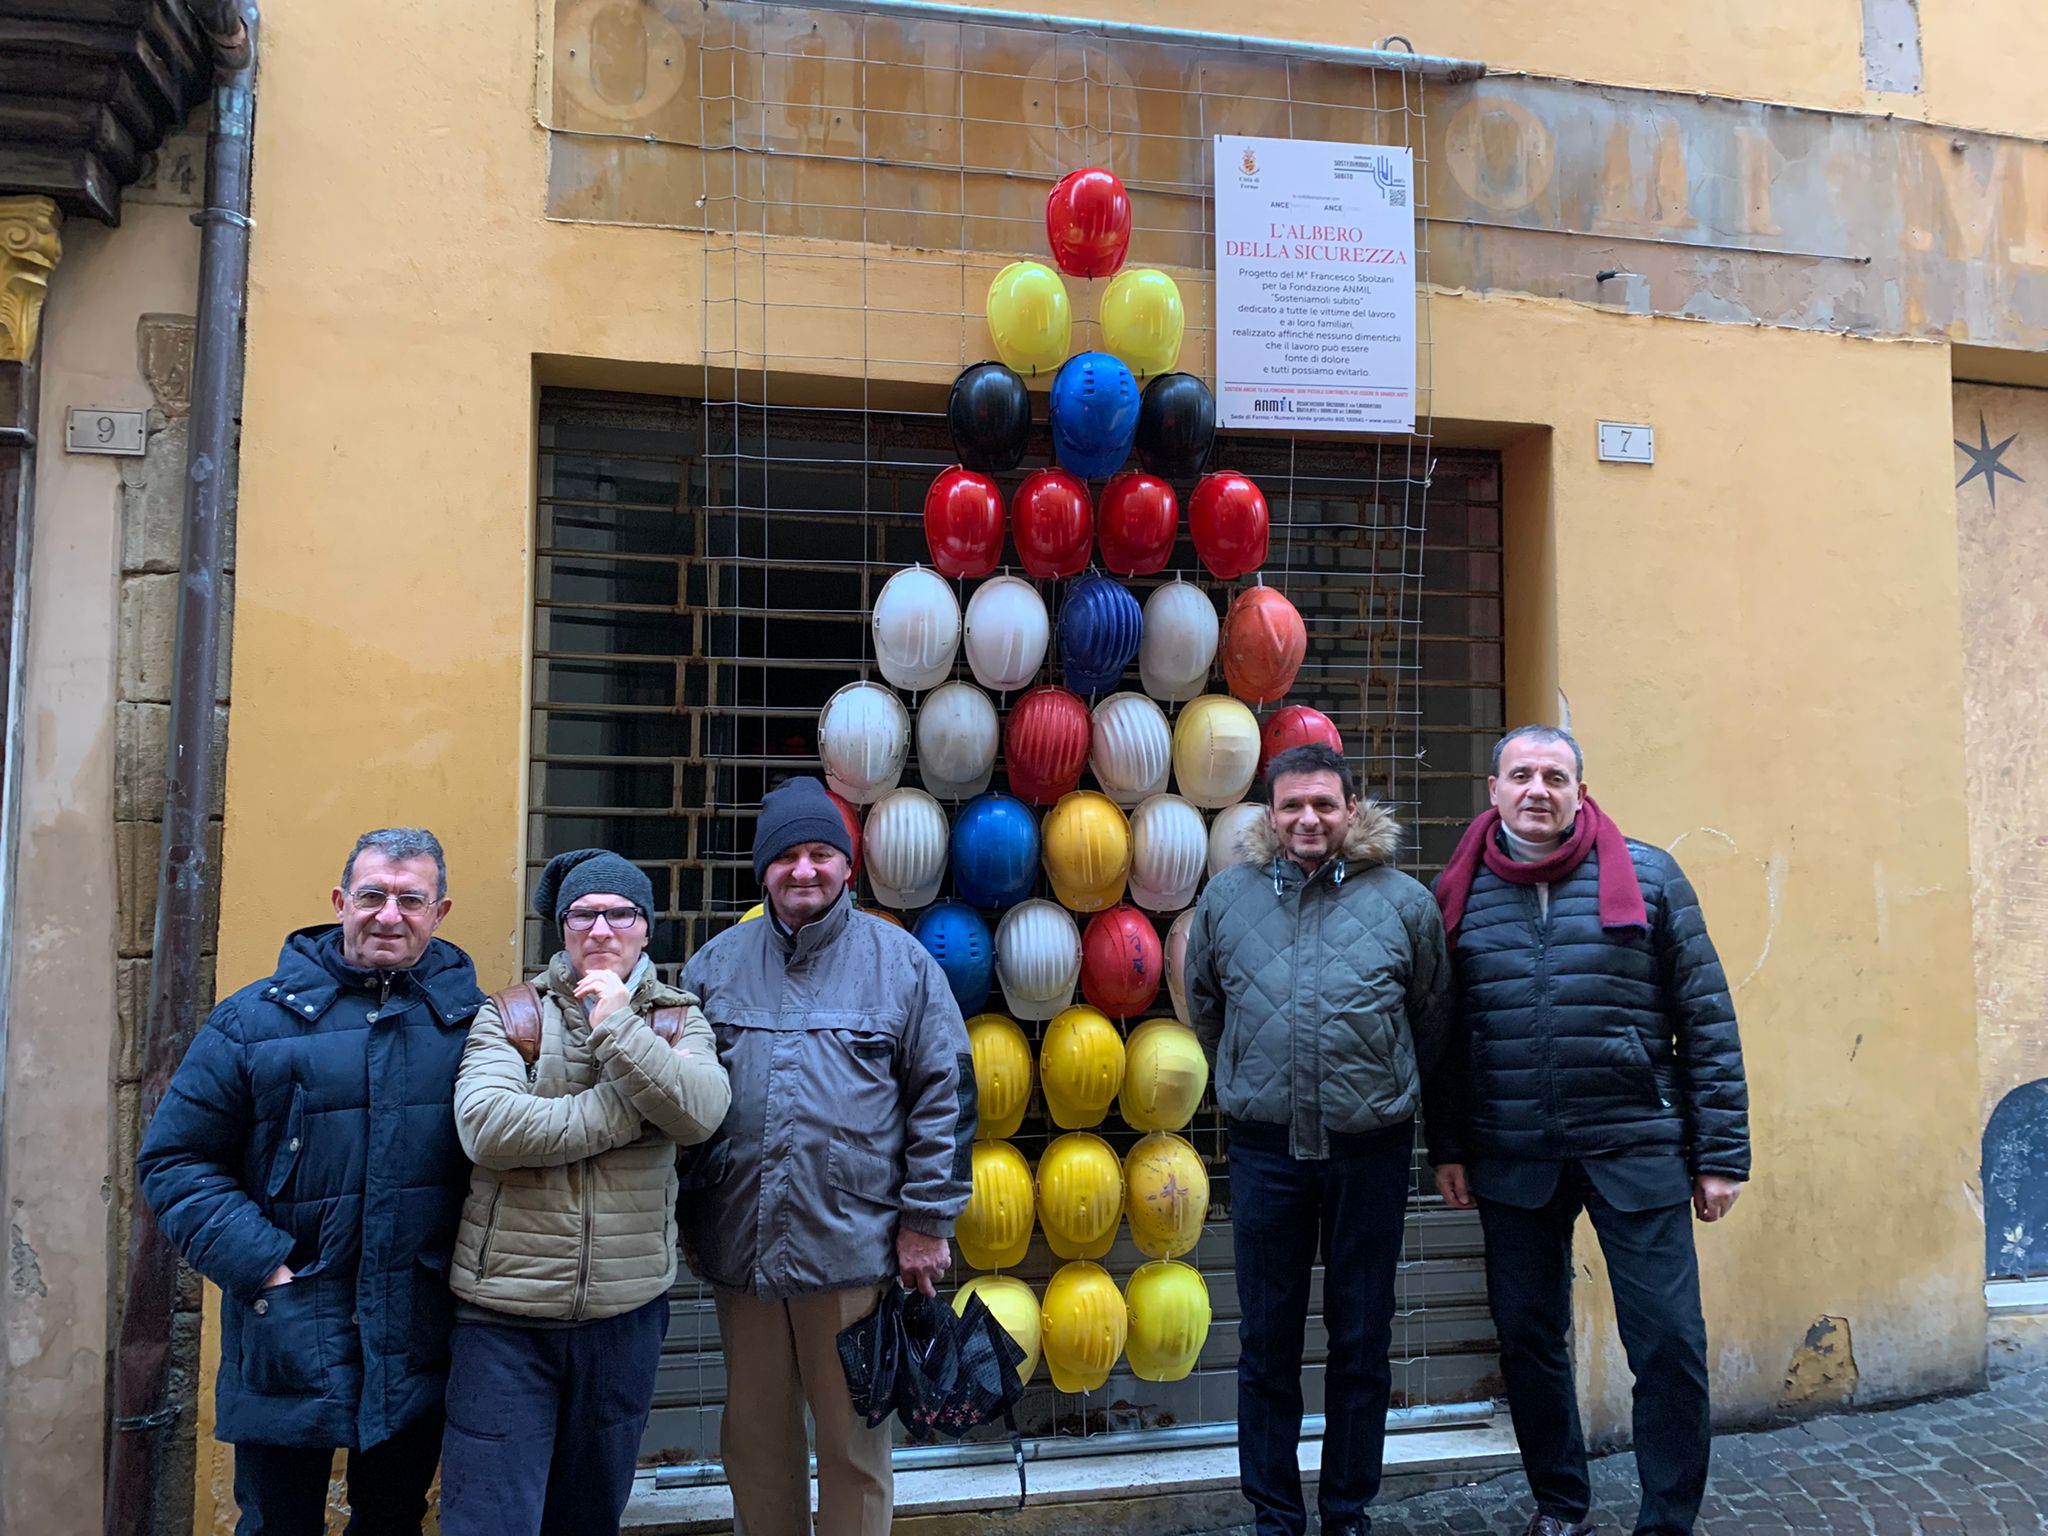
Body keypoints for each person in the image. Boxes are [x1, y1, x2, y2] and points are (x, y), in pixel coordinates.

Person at [1426, 724, 1751, 1536]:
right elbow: (1445, 1036)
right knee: (1529, 1342)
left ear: (1580, 790)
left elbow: (1706, 1019)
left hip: (1636, 1147)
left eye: (1554, 777)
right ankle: (1561, 1507)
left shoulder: (1650, 876)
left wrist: (1720, 1155)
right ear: (1494, 790)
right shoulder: (1456, 893)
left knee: (1668, 1345)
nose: (1537, 790)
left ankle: (1666, 1520)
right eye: (1521, 776)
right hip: (1512, 1153)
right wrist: (1450, 1146)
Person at [137, 828, 483, 1535]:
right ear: (339, 902)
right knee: (278, 1523)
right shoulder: (252, 1021)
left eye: (411, 900)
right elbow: (175, 1160)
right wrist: (266, 1267)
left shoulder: (476, 1027)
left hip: (418, 1328)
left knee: (393, 1520)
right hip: (287, 1322)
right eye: (372, 896)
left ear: (440, 912)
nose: (389, 915)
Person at [680, 775, 975, 1536]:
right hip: (742, 1246)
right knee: (755, 1446)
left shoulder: (901, 963)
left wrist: (927, 1222)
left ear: (848, 864)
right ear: (763, 869)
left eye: (820, 853)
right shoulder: (713, 966)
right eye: (786, 856)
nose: (803, 870)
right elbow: (677, 1100)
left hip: (853, 1250)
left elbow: (946, 1094)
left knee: (853, 1451)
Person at [1185, 744, 1451, 1536]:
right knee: (1267, 1342)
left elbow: (1432, 1019)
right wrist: (1252, 1077)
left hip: (1370, 1153)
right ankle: (1275, 1515)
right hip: (1266, 1154)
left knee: (1361, 1340)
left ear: (1351, 809)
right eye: (1292, 805)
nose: (1308, 819)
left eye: (1324, 804)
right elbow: (1206, 1005)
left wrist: (1384, 1090)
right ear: (1270, 815)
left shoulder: (1405, 903)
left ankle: (1347, 1512)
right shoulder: (1227, 898)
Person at [437, 848, 731, 1535]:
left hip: (624, 1320)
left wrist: (619, 1026)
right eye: (583, 914)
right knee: (488, 1521)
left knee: (590, 1518)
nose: (601, 930)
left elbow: (700, 1114)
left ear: (646, 928)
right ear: (561, 928)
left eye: (620, 914)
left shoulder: (676, 1020)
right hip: (505, 1320)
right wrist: (635, 1112)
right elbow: (488, 1129)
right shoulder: (513, 1016)